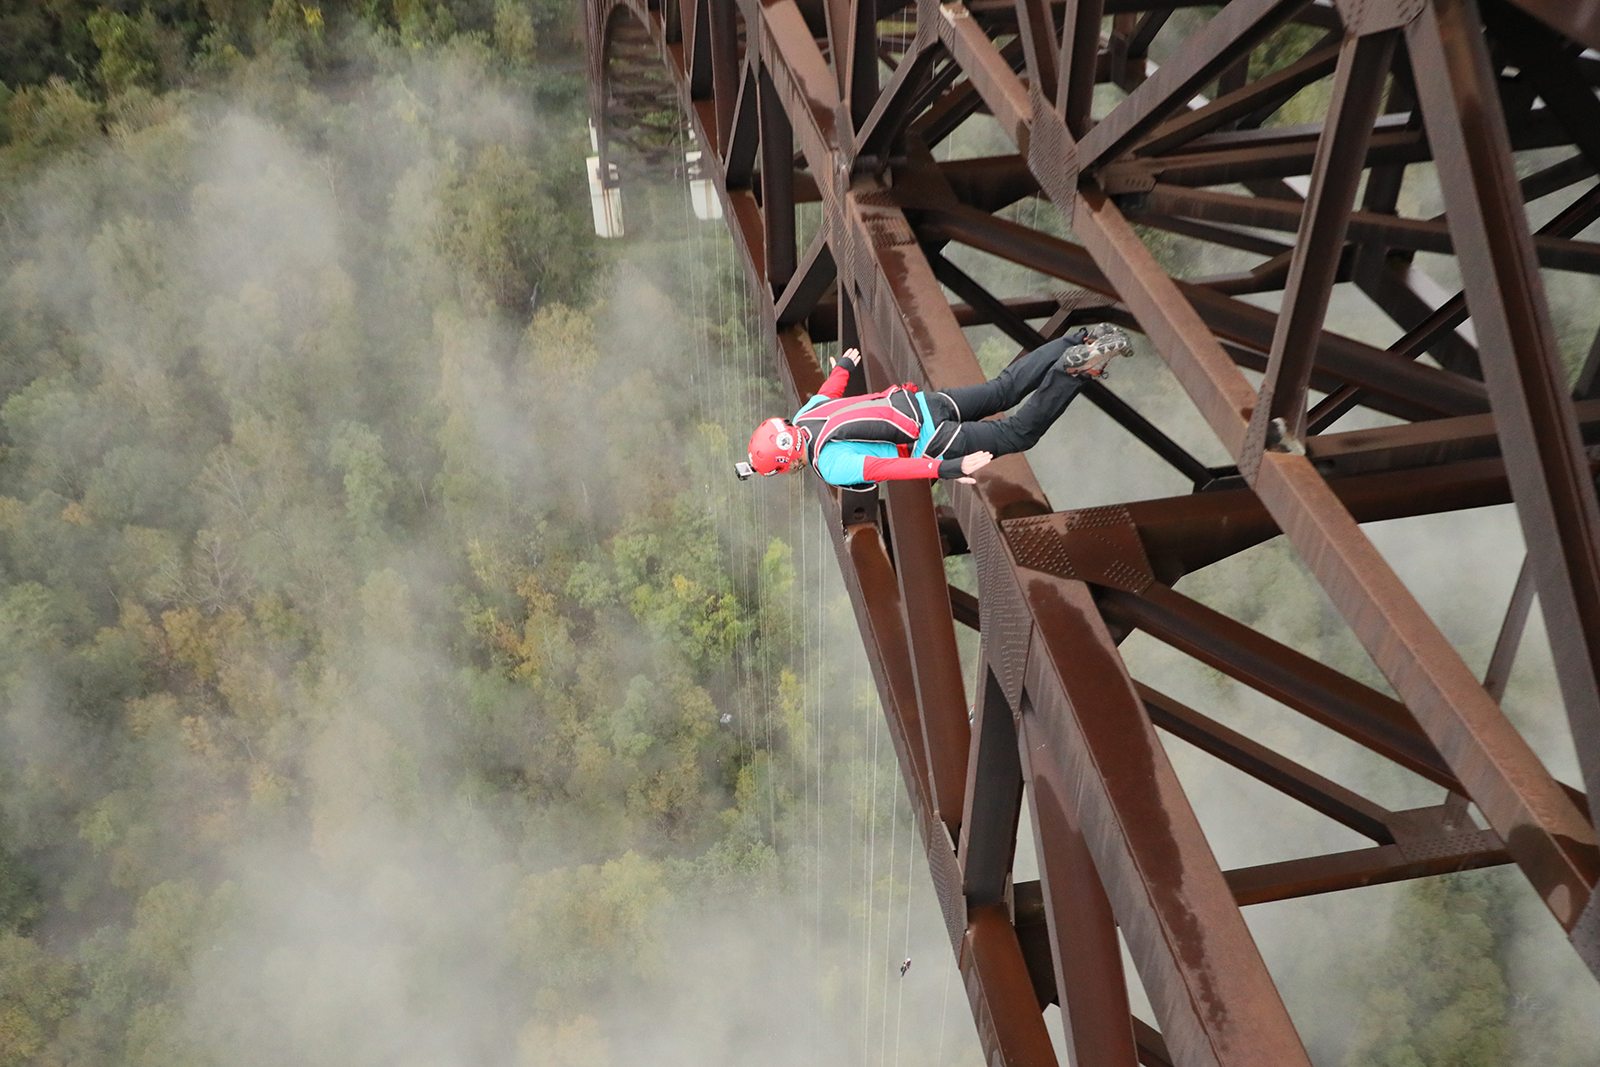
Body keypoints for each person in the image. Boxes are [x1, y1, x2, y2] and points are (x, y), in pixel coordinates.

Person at [736, 325, 1132, 488]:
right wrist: (843, 365)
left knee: (1017, 433)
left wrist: (946, 469)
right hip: (923, 403)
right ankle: (1075, 341)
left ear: (787, 464)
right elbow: (829, 393)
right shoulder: (806, 415)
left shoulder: (831, 465)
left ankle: (1071, 372)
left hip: (934, 439)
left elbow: (886, 467)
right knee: (1004, 388)